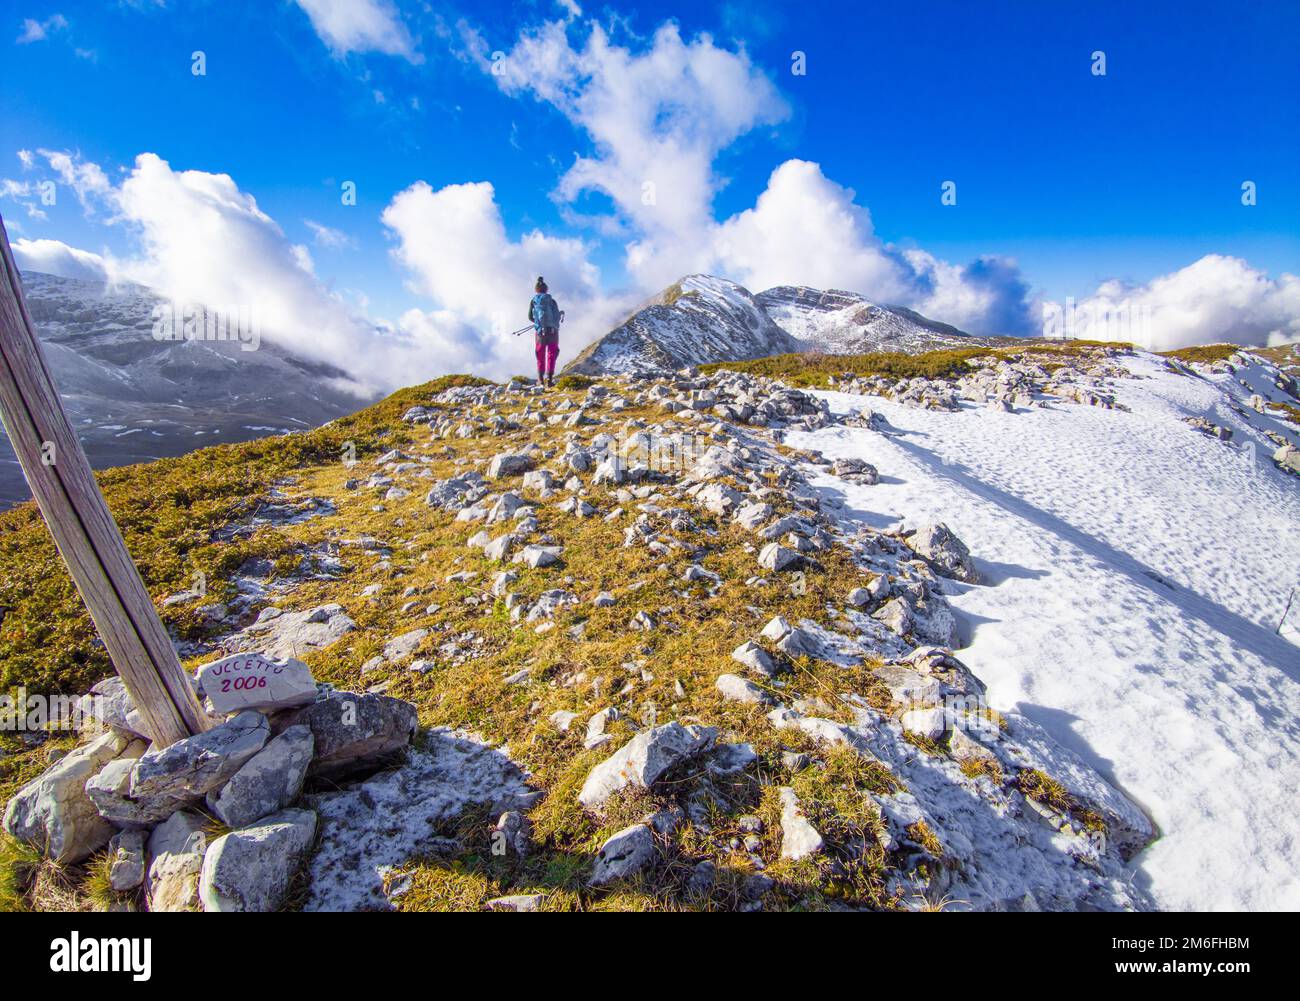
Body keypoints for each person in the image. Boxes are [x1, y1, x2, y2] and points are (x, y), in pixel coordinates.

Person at [528, 277, 561, 387]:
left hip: (539, 333)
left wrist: (537, 323)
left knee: (540, 354)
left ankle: (540, 379)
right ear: (546, 290)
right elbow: (556, 316)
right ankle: (550, 379)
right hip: (553, 332)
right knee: (552, 354)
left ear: (536, 290)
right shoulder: (552, 301)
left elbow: (530, 317)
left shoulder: (533, 302)